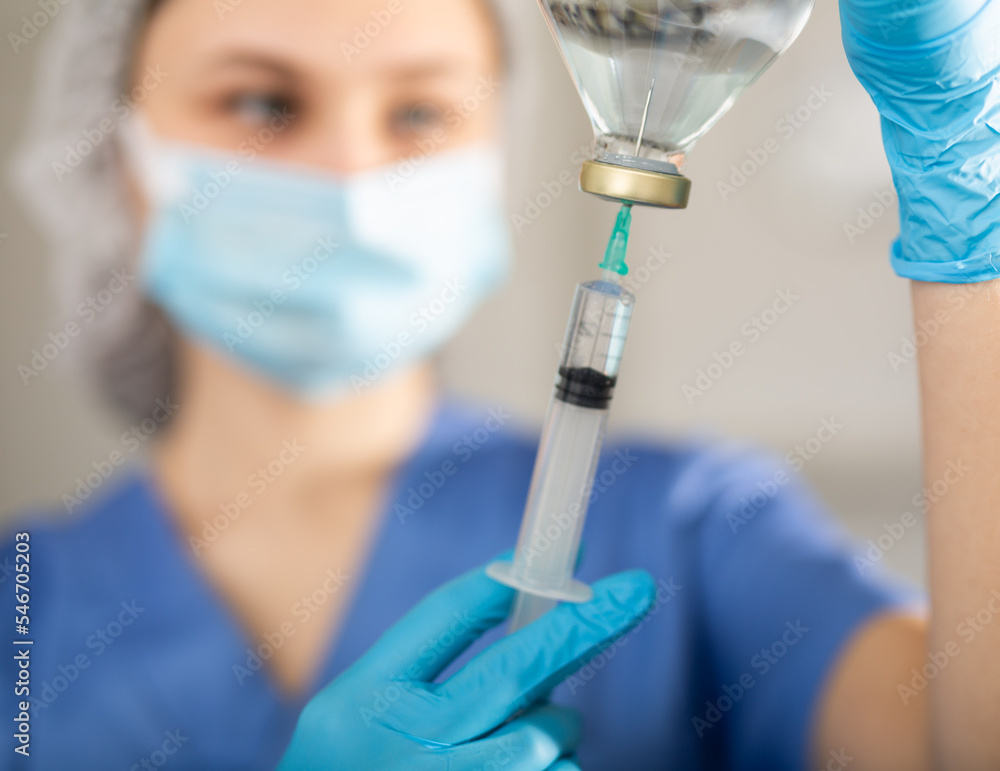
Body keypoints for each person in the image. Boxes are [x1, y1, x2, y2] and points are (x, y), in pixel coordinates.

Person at [3, 0, 998, 768]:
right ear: (117, 154)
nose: (353, 170)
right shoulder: (24, 609)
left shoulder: (692, 526)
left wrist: (965, 189)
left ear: (492, 154)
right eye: (263, 103)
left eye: (420, 110)